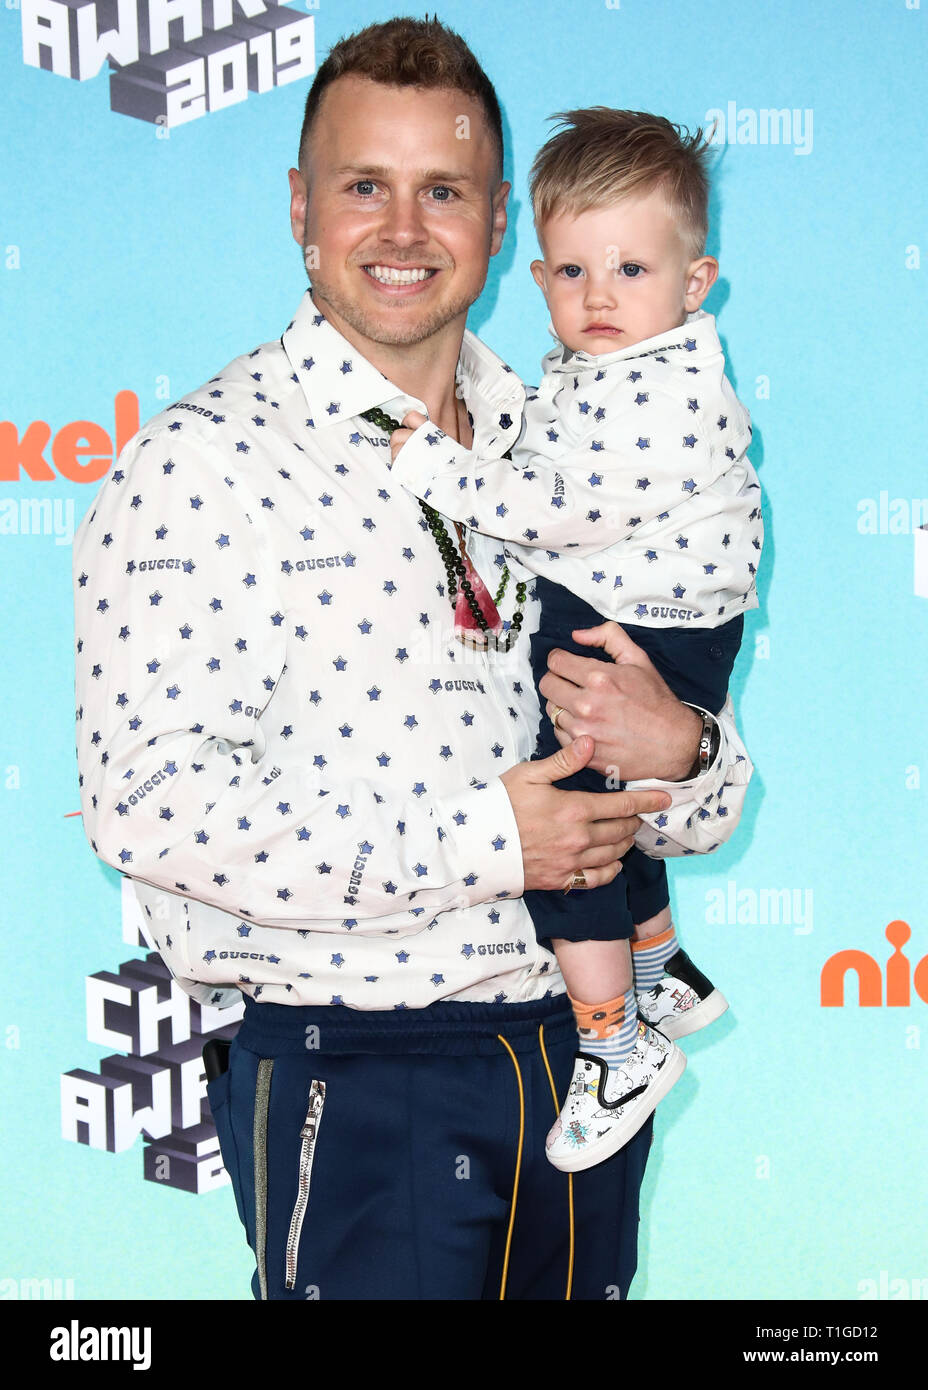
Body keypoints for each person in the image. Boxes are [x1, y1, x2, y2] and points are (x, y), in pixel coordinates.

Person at [72, 17, 753, 1300]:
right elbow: (150, 807)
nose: (401, 228)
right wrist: (496, 840)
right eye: (361, 186)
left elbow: (679, 803)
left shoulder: (573, 427)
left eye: (440, 189)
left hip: (583, 1059)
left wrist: (691, 756)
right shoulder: (202, 464)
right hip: (358, 1074)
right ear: (298, 207)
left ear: (500, 223)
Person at [389, 108, 763, 1172]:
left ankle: (616, 1045)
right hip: (630, 605)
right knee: (597, 816)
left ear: (695, 284)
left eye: (632, 268)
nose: (597, 297)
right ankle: (659, 968)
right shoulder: (596, 370)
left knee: (564, 834)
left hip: (642, 621)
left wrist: (425, 464)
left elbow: (555, 509)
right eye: (570, 270)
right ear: (535, 265)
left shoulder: (663, 393)